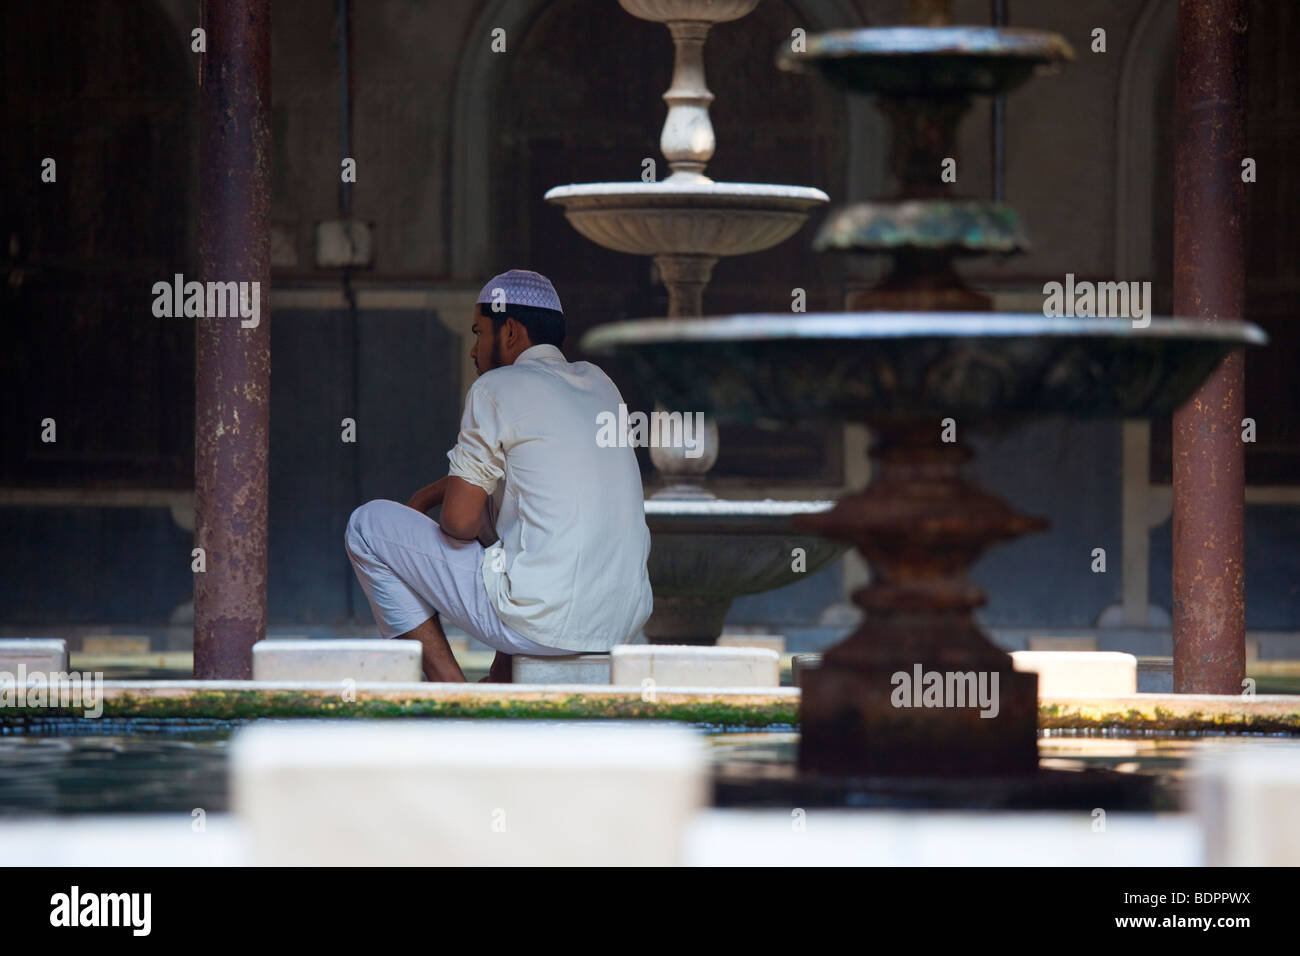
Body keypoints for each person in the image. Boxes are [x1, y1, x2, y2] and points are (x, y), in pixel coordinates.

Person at [345, 269, 653, 682]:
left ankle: (453, 695)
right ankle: (499, 678)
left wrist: (421, 504)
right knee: (508, 516)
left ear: (509, 331)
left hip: (541, 624)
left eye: (478, 332)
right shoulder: (601, 384)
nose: (474, 350)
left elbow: (458, 523)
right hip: (618, 624)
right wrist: (432, 494)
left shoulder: (496, 387)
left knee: (367, 526)